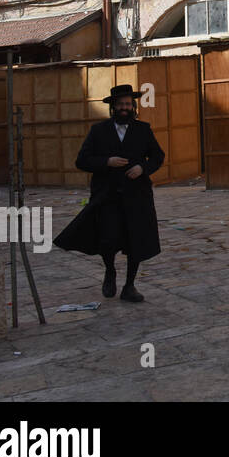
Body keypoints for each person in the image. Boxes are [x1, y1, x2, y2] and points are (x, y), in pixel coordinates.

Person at [54, 84, 165, 303]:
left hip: (136, 196)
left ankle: (130, 286)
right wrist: (107, 162)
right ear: (113, 107)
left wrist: (143, 168)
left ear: (133, 107)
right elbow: (82, 160)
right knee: (108, 238)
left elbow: (158, 156)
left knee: (136, 241)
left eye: (128, 104)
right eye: (120, 105)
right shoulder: (99, 131)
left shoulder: (143, 129)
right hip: (108, 196)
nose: (124, 108)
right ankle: (110, 272)